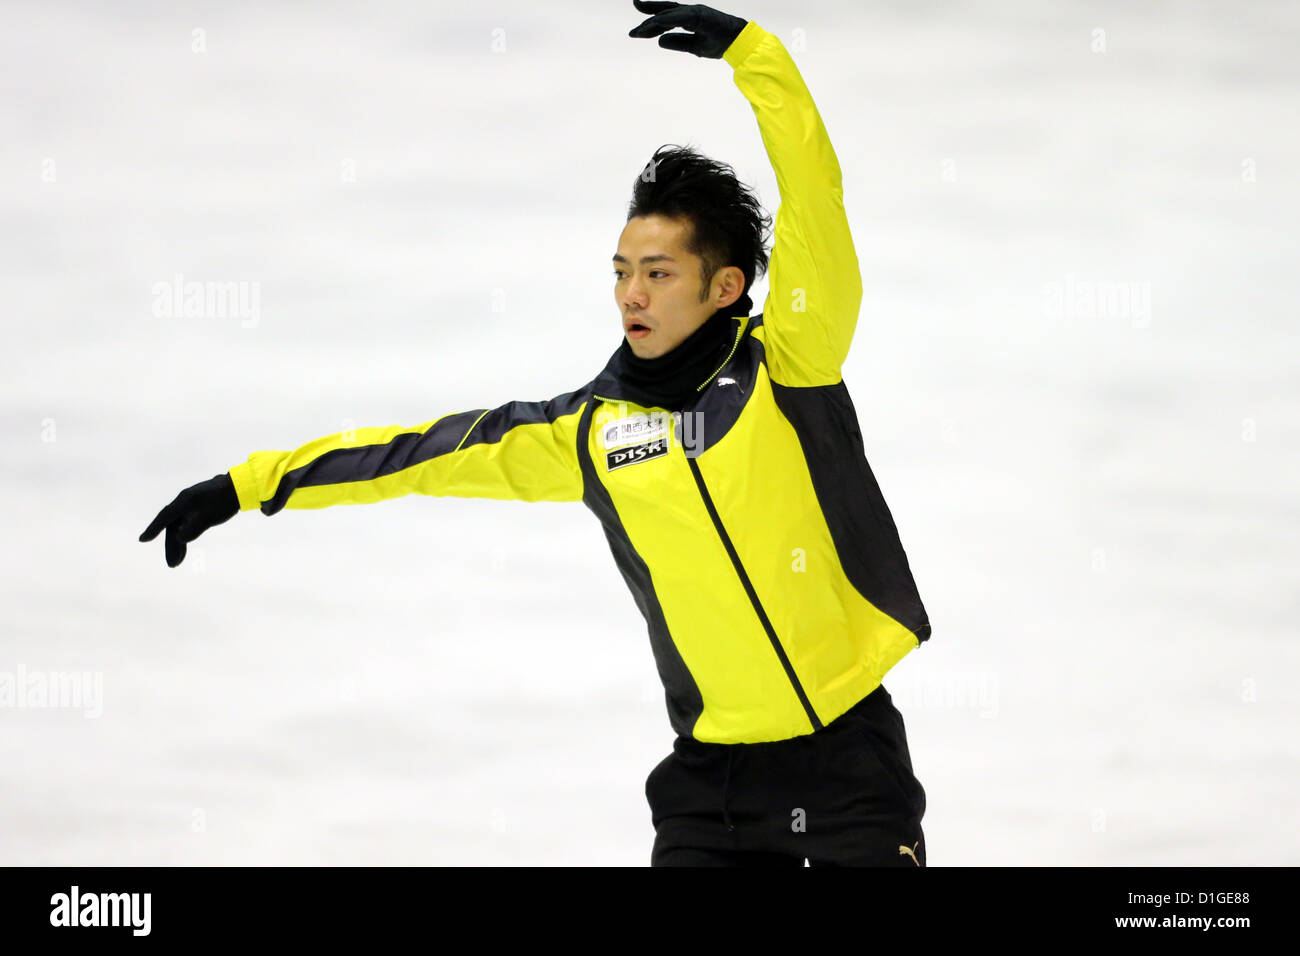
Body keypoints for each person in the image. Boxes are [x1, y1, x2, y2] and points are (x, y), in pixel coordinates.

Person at [140, 1, 933, 867]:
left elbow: (814, 195)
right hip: (713, 795)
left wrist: (756, 59)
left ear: (726, 286)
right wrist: (250, 485)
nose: (632, 293)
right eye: (623, 272)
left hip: (848, 772)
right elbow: (418, 455)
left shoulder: (790, 366)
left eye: (659, 273)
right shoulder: (589, 433)